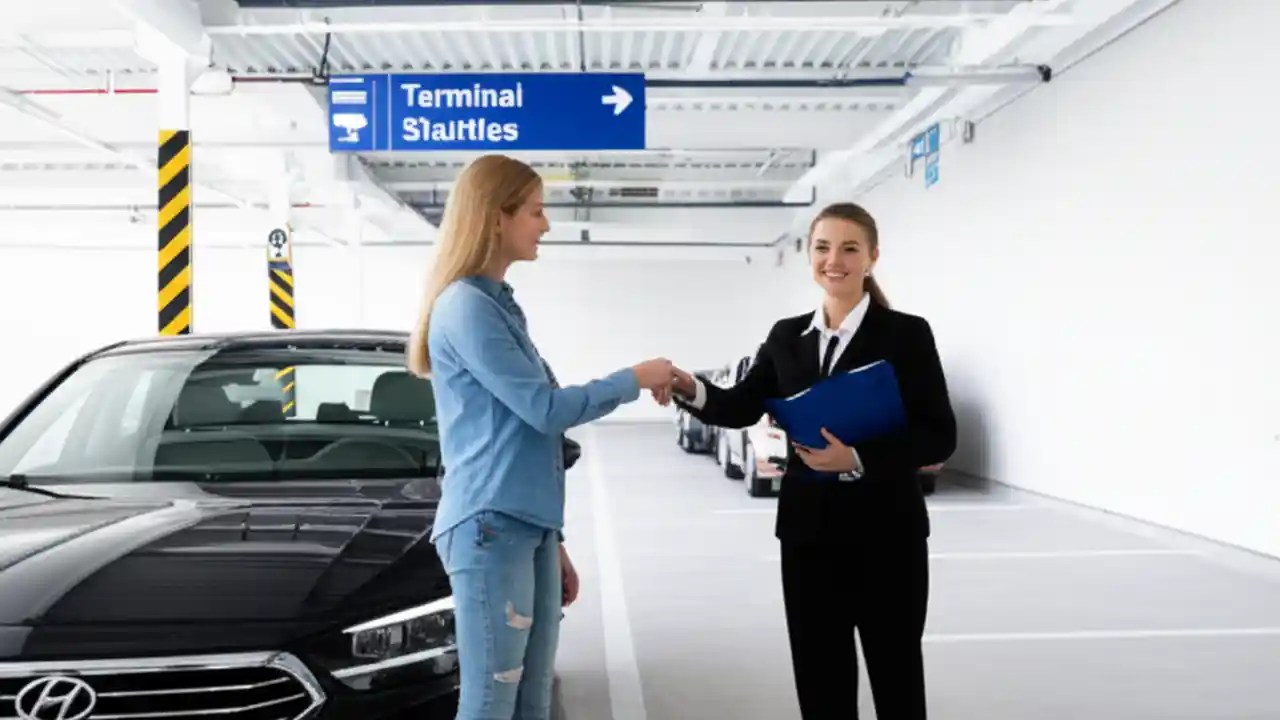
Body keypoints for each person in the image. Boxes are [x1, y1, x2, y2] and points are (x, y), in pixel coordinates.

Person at [406, 154, 675, 720]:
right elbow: (543, 410)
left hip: (523, 525)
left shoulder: (497, 306)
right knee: (489, 702)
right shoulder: (466, 308)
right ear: (495, 218)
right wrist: (634, 379)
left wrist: (553, 537)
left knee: (532, 701)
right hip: (488, 527)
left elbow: (518, 436)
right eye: (535, 210)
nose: (546, 224)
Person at [670, 201, 956, 720]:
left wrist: (859, 457)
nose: (835, 260)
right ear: (809, 255)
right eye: (823, 247)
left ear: (872, 256)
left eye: (850, 248)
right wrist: (690, 389)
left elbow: (939, 435)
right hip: (808, 537)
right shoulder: (786, 337)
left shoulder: (906, 335)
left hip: (888, 536)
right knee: (820, 681)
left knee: (896, 678)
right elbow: (739, 406)